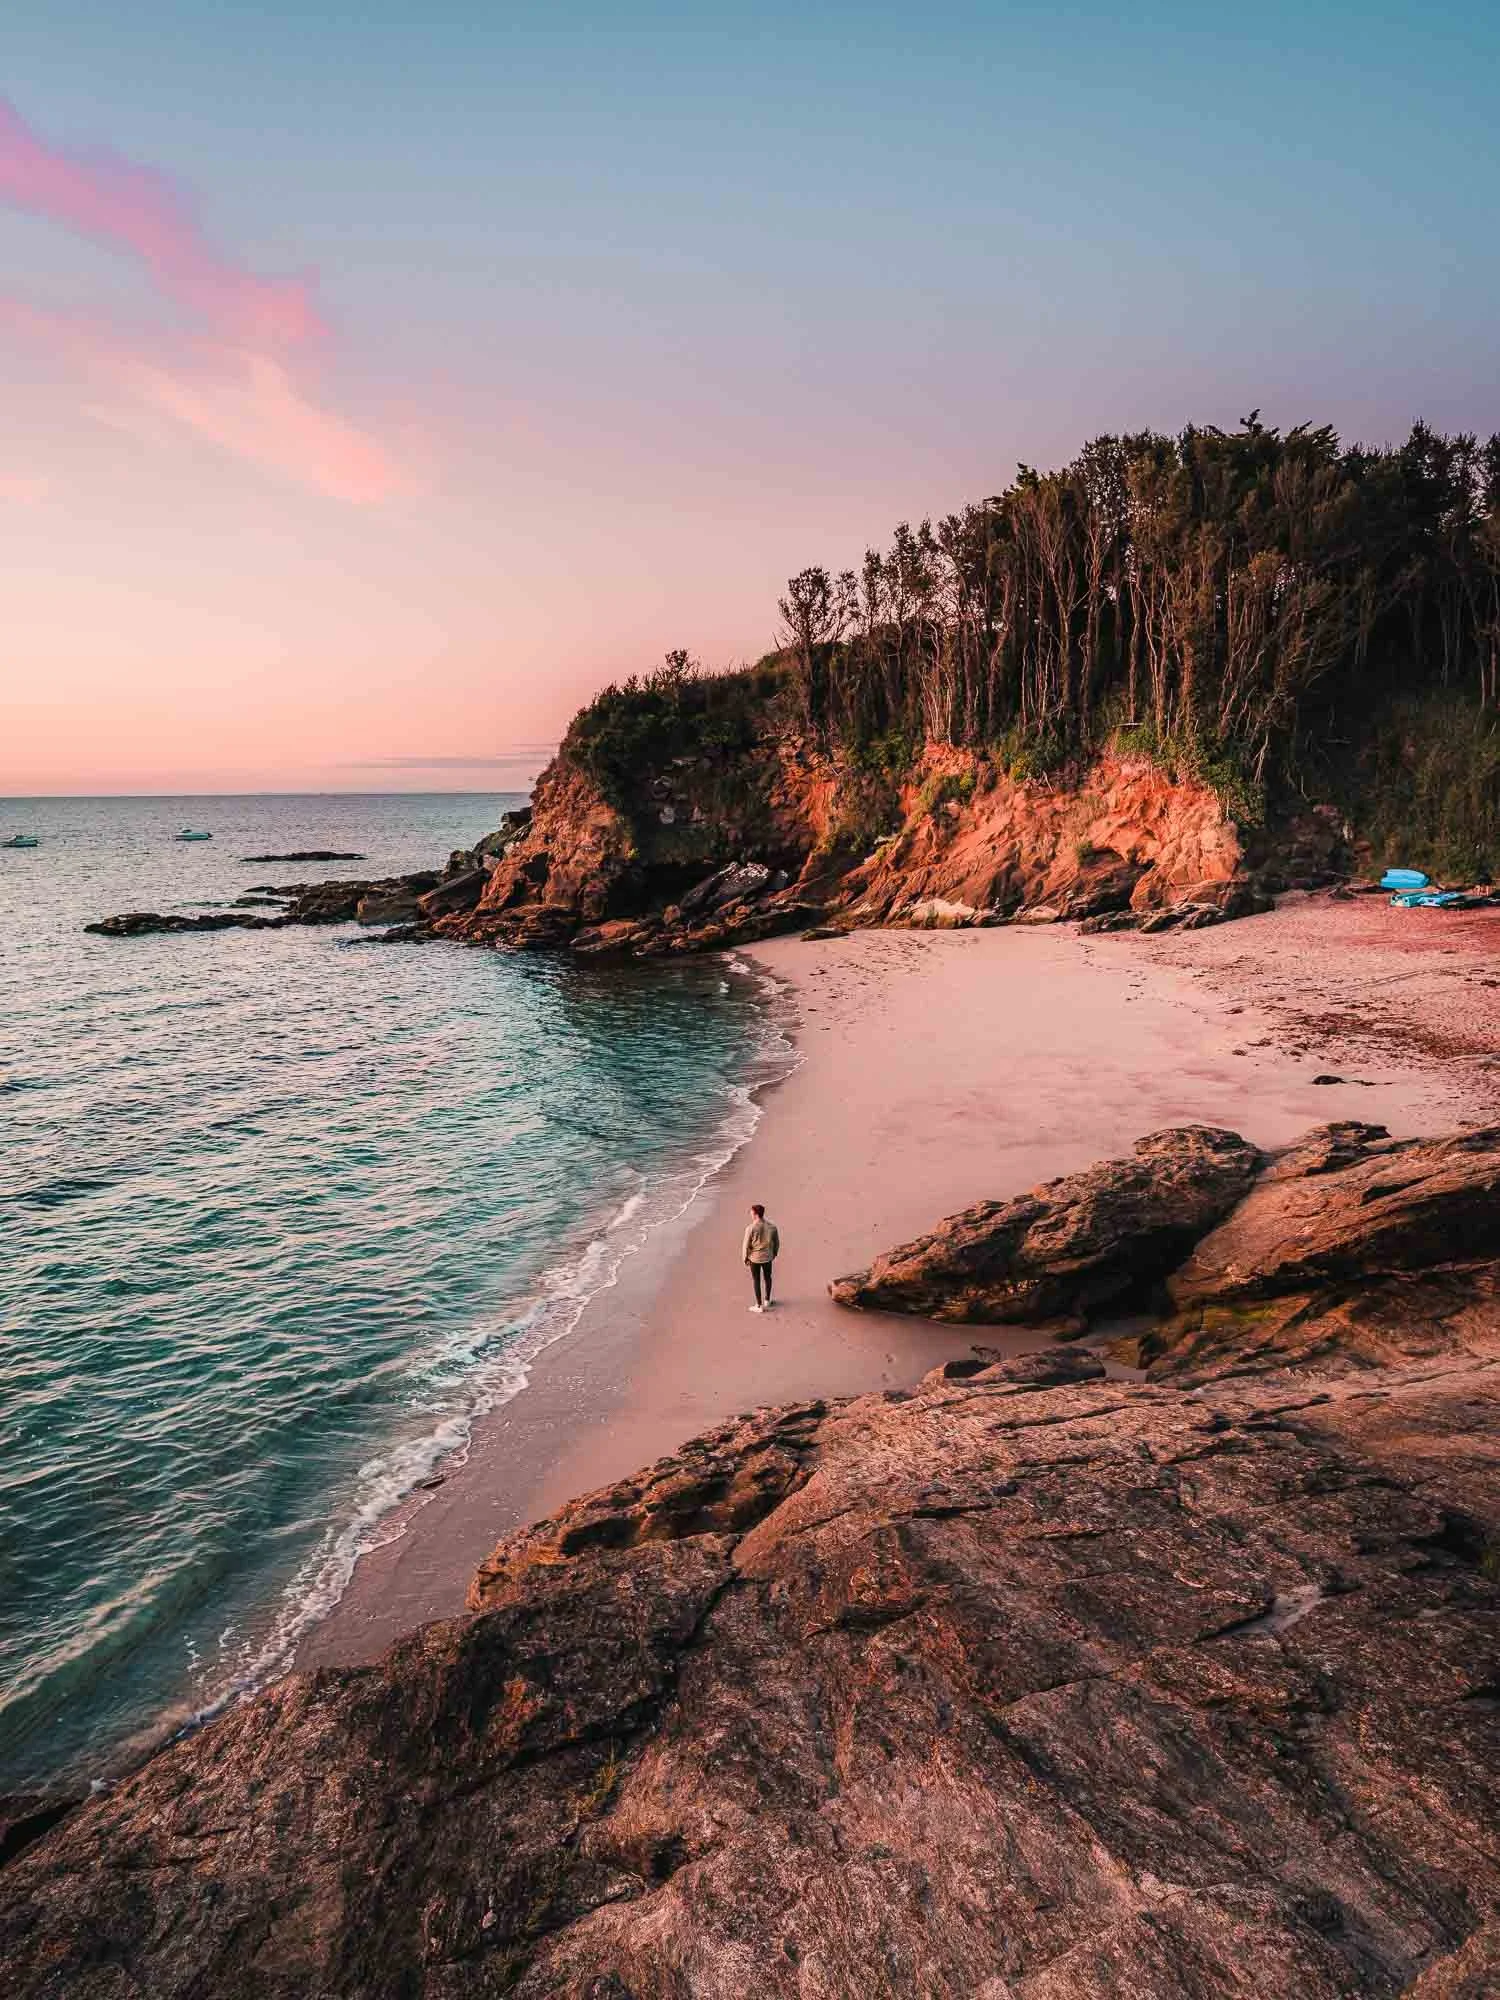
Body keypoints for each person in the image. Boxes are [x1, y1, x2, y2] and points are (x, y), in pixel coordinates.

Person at [742, 1202, 780, 1311]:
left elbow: (746, 1245)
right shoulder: (772, 1227)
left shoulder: (750, 1228)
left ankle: (759, 1305)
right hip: (768, 1257)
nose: (750, 1213)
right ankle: (767, 1300)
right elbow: (776, 1242)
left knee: (756, 1280)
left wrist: (745, 1258)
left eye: (751, 1212)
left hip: (755, 1258)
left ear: (755, 1214)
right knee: (768, 1278)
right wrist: (774, 1253)